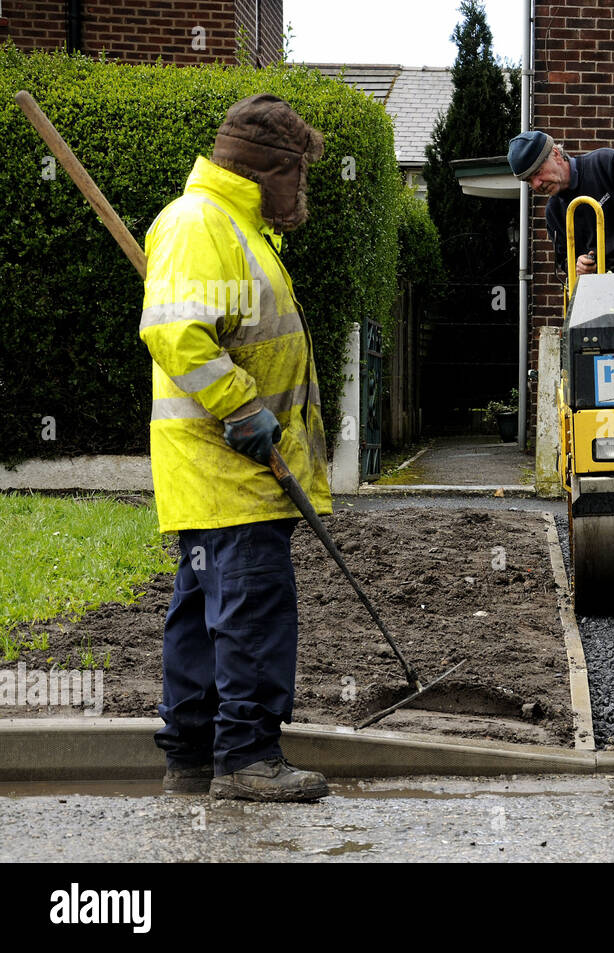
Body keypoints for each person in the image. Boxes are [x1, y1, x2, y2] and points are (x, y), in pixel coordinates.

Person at [139, 94, 331, 802]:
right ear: (266, 170)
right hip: (230, 466)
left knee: (201, 613)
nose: (302, 191)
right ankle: (248, 756)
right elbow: (177, 334)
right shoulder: (201, 224)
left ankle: (190, 755)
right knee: (252, 611)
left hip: (221, 472)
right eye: (298, 175)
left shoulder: (232, 226)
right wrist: (243, 406)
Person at [508, 130, 614, 275]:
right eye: (529, 181)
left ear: (556, 154)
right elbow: (564, 259)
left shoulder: (605, 161)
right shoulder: (554, 212)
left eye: (538, 172)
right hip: (612, 285)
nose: (536, 184)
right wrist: (577, 265)